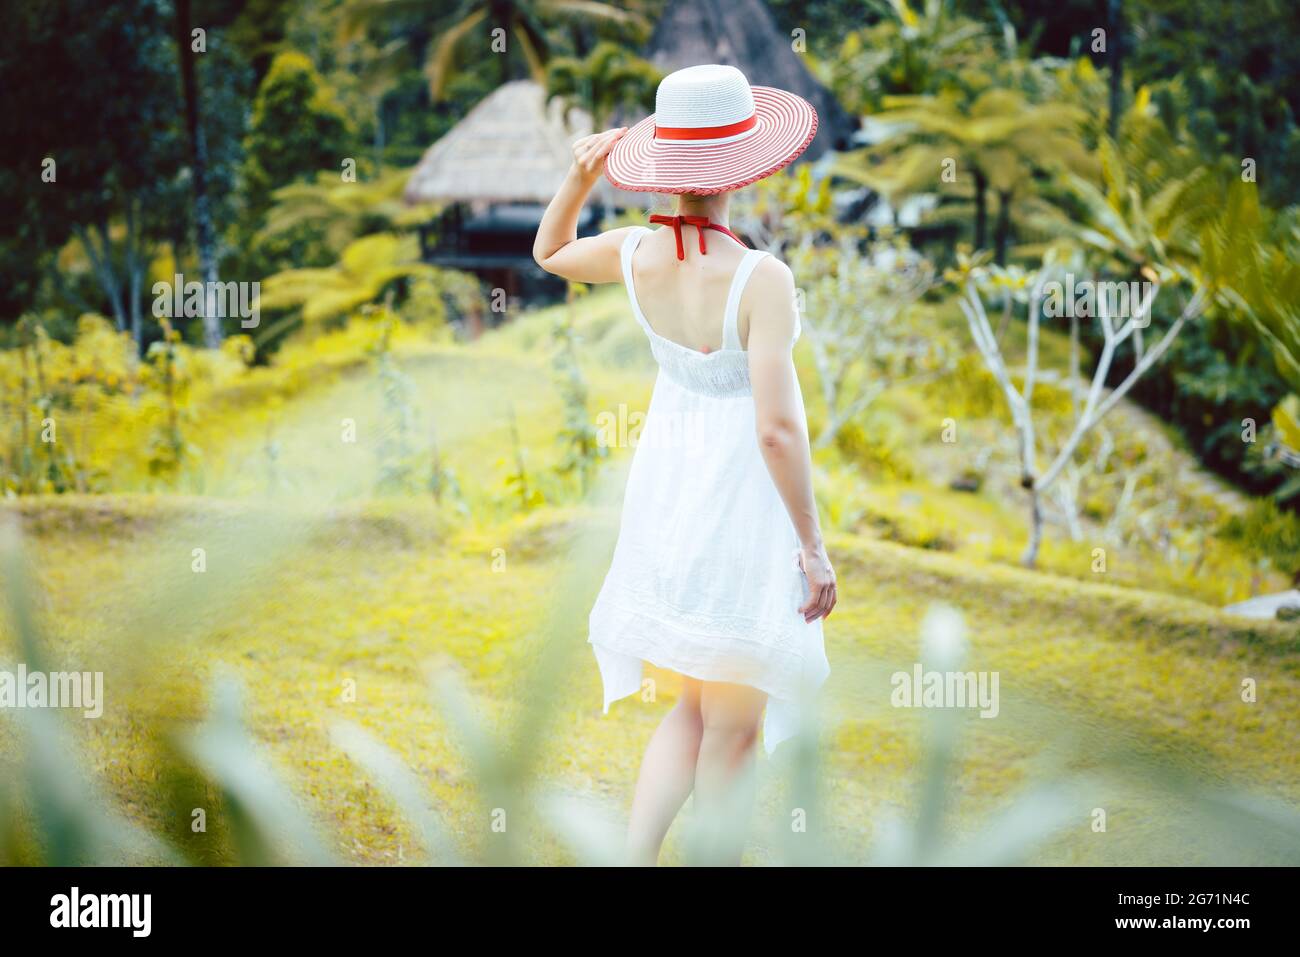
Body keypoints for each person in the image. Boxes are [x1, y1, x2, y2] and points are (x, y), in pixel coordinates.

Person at [533, 64, 835, 865]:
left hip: (670, 494)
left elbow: (550, 249)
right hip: (741, 503)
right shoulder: (761, 278)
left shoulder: (635, 253)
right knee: (731, 723)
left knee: (694, 707)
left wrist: (578, 174)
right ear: (748, 165)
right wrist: (812, 545)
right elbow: (776, 430)